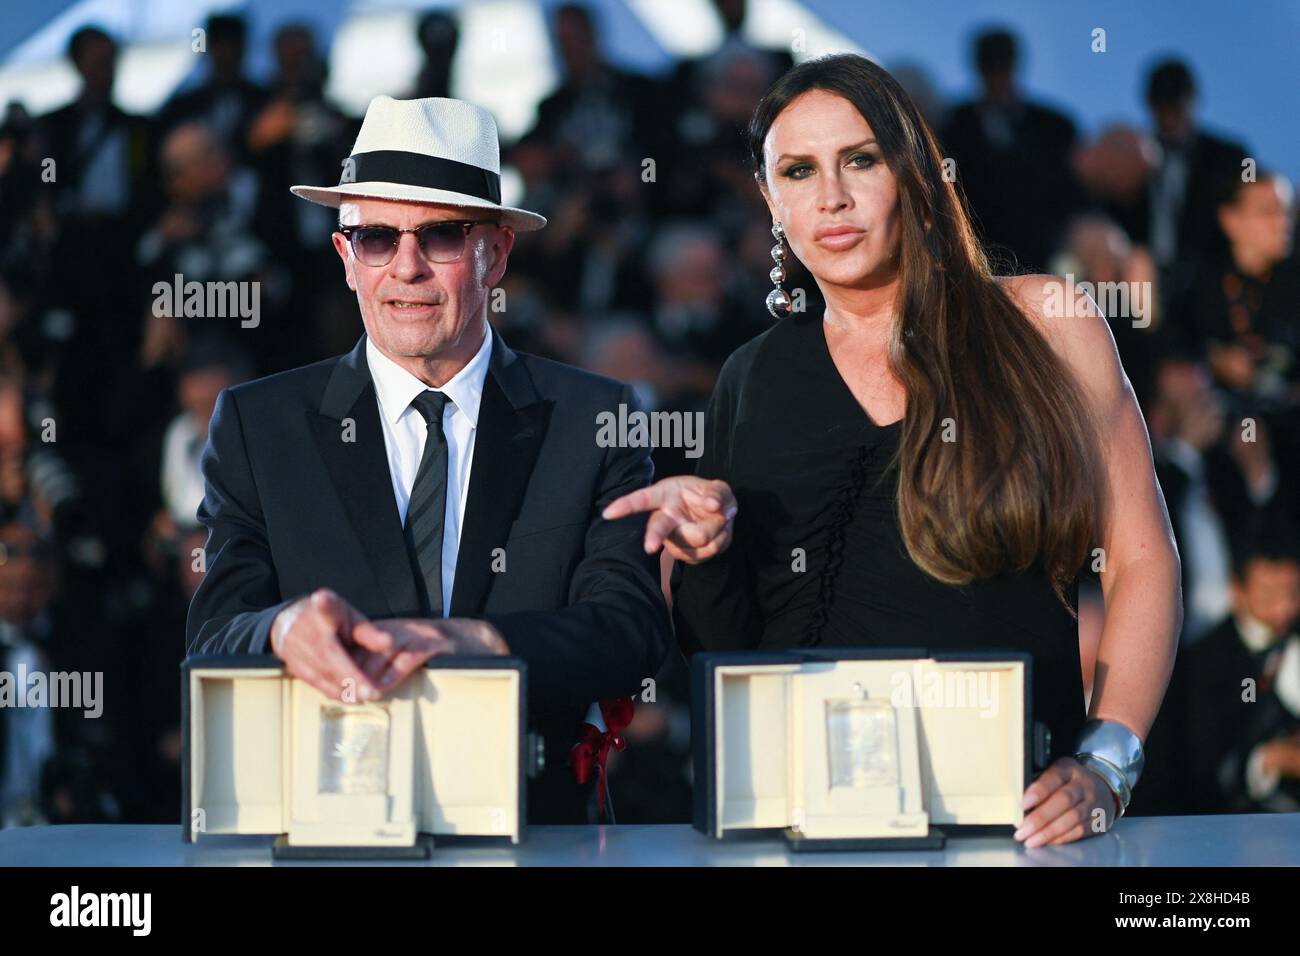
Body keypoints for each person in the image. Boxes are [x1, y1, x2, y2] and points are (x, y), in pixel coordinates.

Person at [604, 54, 1183, 847]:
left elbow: (1143, 560)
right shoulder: (754, 376)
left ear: (913, 170)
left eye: (860, 160)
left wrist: (1108, 760)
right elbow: (732, 652)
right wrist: (704, 551)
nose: (832, 198)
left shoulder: (1044, 323)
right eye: (798, 172)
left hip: (1014, 825)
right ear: (771, 201)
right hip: (801, 820)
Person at [185, 96, 671, 823]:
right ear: (347, 258)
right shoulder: (261, 424)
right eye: (377, 237)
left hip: (530, 831)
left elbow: (630, 629)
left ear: (497, 253)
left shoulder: (593, 417)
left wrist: (474, 642)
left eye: (441, 236)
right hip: (328, 827)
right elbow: (215, 635)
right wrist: (284, 631)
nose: (406, 268)